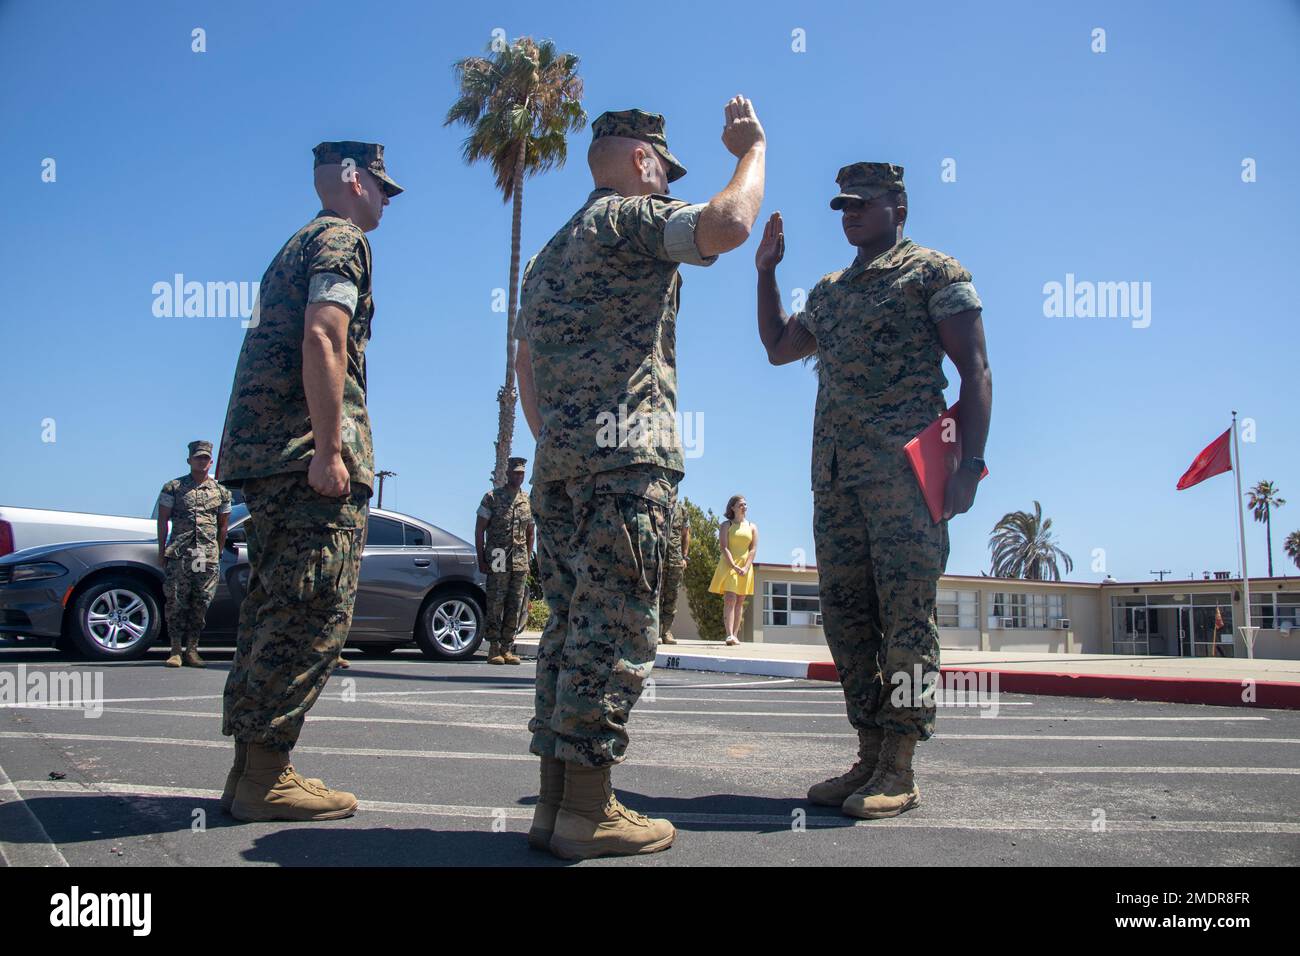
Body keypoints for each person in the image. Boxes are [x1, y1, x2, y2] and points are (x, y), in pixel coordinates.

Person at [515, 98, 766, 858]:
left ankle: (557, 804)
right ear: (641, 161)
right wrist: (753, 151)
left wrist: (563, 442)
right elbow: (727, 227)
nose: (667, 187)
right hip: (626, 466)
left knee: (567, 630)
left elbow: (525, 366)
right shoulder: (626, 217)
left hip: (561, 468)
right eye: (665, 171)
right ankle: (588, 813)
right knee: (615, 630)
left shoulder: (550, 252)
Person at [755, 162, 991, 819]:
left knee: (906, 622)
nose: (849, 214)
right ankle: (867, 753)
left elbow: (975, 370)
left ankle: (901, 765)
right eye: (842, 206)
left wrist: (970, 466)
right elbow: (778, 346)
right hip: (835, 482)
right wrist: (767, 271)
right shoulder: (831, 292)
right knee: (847, 620)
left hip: (906, 479)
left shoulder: (935, 275)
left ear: (899, 207)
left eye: (861, 204)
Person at [215, 140, 403, 822]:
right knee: (311, 614)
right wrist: (330, 451)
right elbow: (324, 337)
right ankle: (265, 776)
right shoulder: (339, 240)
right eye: (381, 185)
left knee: (273, 613)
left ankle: (253, 772)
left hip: (269, 459)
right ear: (353, 181)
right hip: (303, 459)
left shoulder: (296, 244)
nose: (386, 198)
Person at [156, 440, 231, 668]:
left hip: (205, 556)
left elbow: (223, 526)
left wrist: (216, 552)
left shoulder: (221, 492)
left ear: (211, 462)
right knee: (177, 601)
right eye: (198, 457)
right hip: (181, 553)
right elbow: (162, 521)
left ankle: (193, 650)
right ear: (189, 460)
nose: (202, 461)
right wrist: (162, 552)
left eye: (206, 458)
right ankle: (176, 650)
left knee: (201, 602)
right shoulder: (173, 487)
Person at [476, 456, 534, 665]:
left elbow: (530, 532)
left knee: (515, 604)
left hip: (519, 559)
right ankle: (493, 647)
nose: (518, 476)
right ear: (508, 474)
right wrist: (481, 558)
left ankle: (507, 648)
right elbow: (480, 529)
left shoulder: (527, 500)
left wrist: (527, 559)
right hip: (498, 555)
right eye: (515, 472)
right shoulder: (492, 497)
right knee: (495, 602)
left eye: (522, 473)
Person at [707, 494, 756, 644]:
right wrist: (734, 565)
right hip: (729, 565)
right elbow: (724, 547)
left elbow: (753, 549)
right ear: (733, 507)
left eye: (745, 504)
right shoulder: (726, 525)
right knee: (730, 599)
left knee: (740, 600)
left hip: (745, 566)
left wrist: (746, 566)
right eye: (740, 504)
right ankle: (729, 635)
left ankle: (735, 635)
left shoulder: (752, 526)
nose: (744, 507)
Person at [658, 500, 690, 645]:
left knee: (672, 597)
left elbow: (686, 534)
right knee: (655, 596)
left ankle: (666, 632)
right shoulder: (657, 505)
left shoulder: (682, 510)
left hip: (675, 560)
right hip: (657, 558)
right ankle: (655, 632)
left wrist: (684, 556)